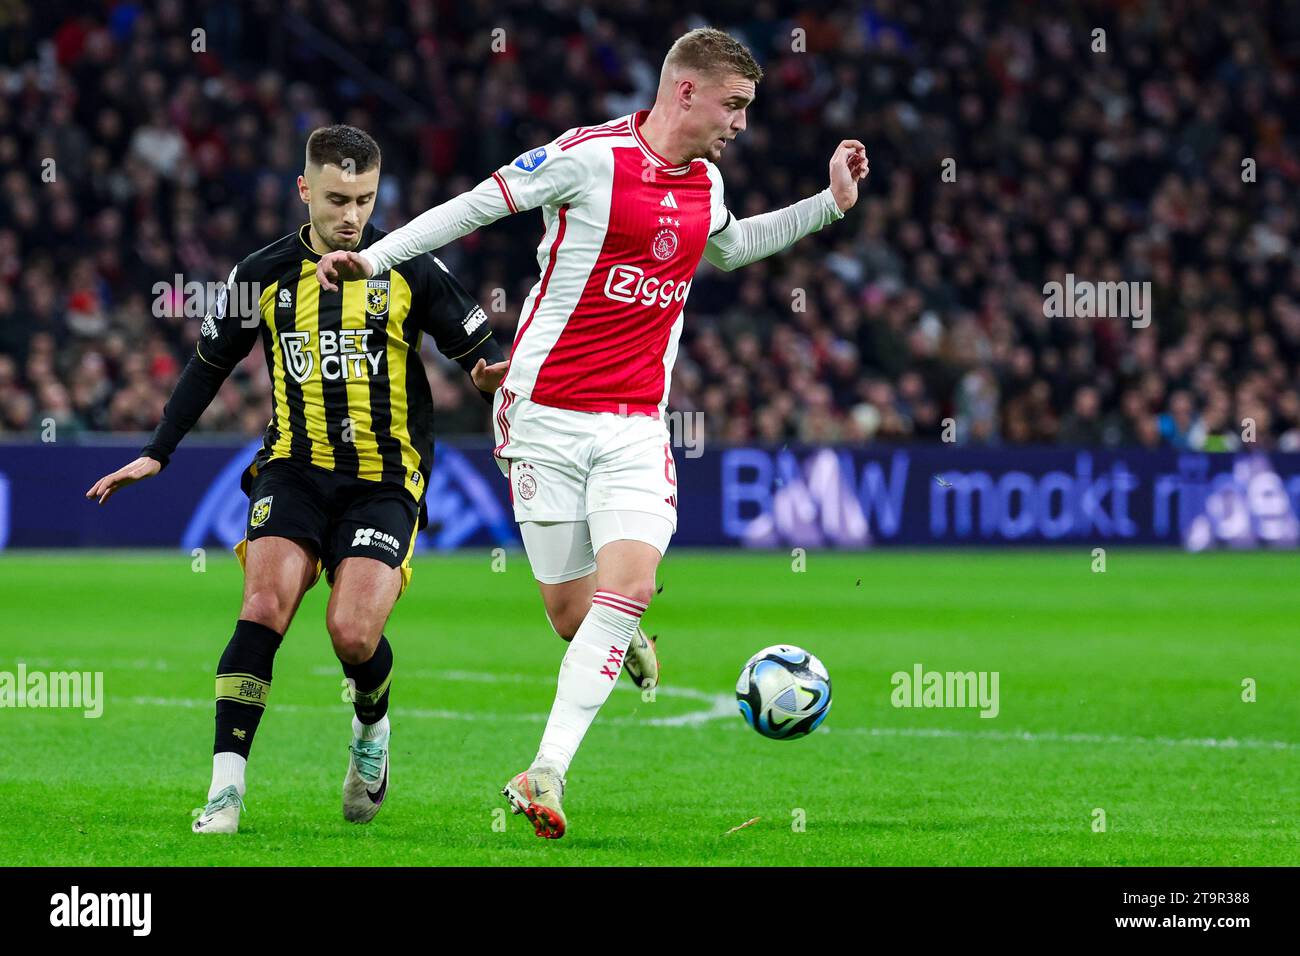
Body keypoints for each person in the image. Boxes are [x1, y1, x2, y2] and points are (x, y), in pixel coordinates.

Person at [316, 29, 867, 839]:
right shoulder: (588, 158)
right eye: (735, 104)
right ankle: (621, 634)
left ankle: (545, 771)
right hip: (541, 416)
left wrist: (830, 206)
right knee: (575, 614)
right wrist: (376, 258)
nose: (742, 123)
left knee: (629, 584)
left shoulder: (705, 184)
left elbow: (736, 247)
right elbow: (474, 206)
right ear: (685, 91)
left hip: (636, 424)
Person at [86, 125, 507, 834]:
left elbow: (477, 351)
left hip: (383, 481)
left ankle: (372, 731)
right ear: (305, 190)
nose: (351, 215)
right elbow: (210, 362)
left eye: (365, 199)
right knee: (262, 609)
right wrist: (159, 450)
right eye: (337, 198)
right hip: (293, 469)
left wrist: (489, 377)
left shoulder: (410, 268)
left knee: (350, 632)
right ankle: (225, 792)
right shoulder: (263, 273)